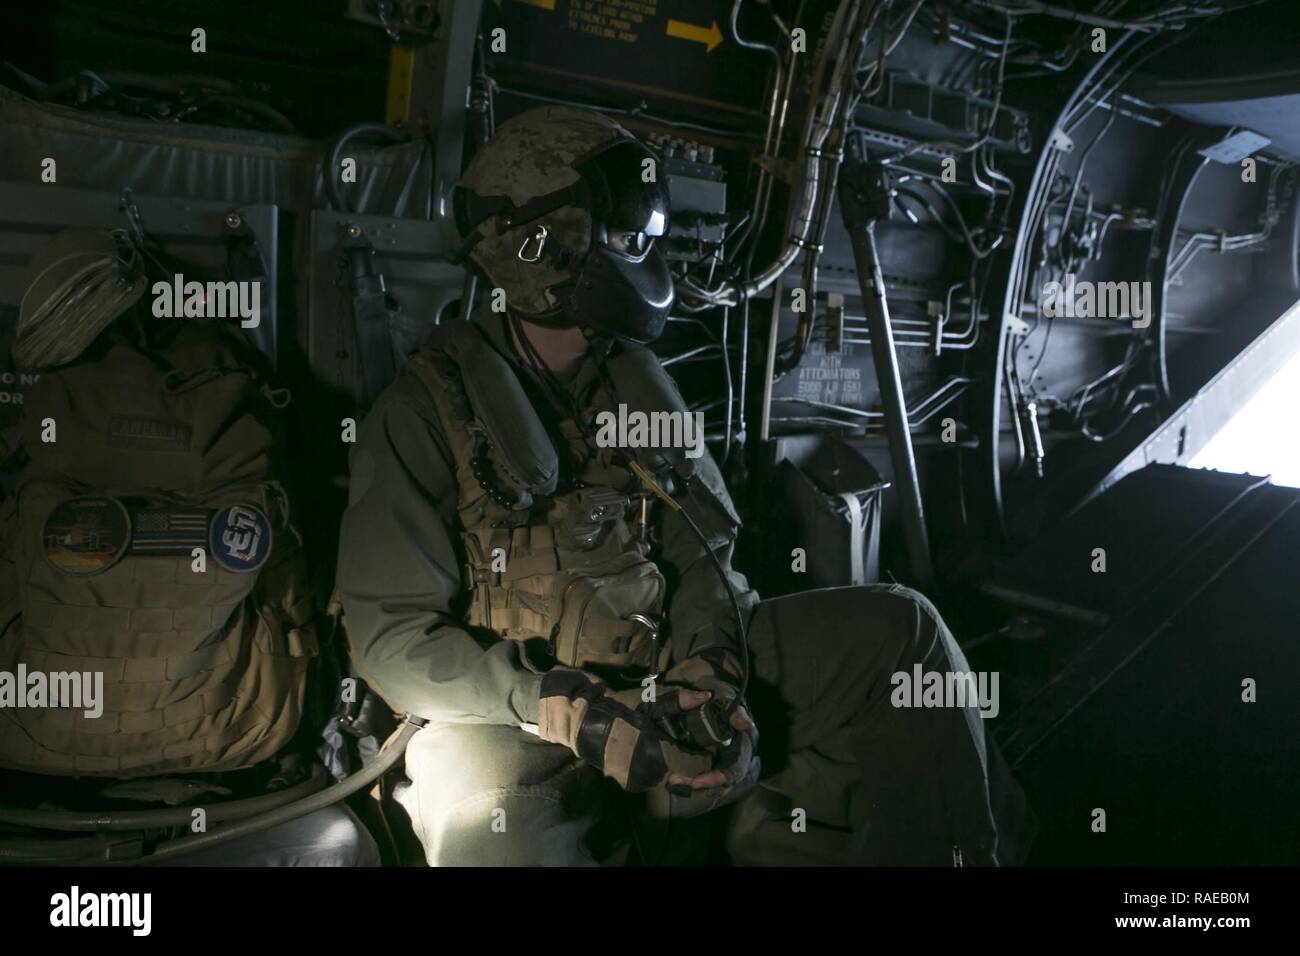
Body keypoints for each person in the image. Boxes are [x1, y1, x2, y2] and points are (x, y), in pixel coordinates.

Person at [336, 105, 1034, 866]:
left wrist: (711, 668)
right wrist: (555, 705)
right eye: (623, 236)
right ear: (540, 246)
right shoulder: (423, 413)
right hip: (510, 709)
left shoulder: (635, 386)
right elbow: (391, 639)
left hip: (662, 665)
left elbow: (706, 559)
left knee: (900, 632)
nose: (642, 255)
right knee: (498, 827)